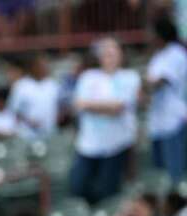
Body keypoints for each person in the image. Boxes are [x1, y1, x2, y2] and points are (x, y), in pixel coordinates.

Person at [70, 38, 140, 204]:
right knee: (78, 188)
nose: (110, 57)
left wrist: (91, 106)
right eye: (106, 54)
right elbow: (79, 104)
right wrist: (105, 107)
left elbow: (118, 107)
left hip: (116, 146)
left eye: (113, 53)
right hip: (88, 145)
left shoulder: (130, 77)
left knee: (107, 195)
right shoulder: (88, 77)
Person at [146, 15, 187, 184]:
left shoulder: (176, 53)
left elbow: (159, 83)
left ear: (160, 34)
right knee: (160, 172)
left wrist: (139, 83)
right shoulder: (158, 56)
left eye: (152, 33)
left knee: (174, 173)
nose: (149, 37)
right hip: (158, 121)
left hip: (174, 121)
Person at [7, 53, 60, 137]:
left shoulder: (53, 85)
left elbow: (60, 107)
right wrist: (29, 121)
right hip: (26, 134)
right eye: (40, 66)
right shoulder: (21, 85)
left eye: (45, 65)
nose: (43, 68)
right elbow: (14, 110)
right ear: (32, 67)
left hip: (49, 133)